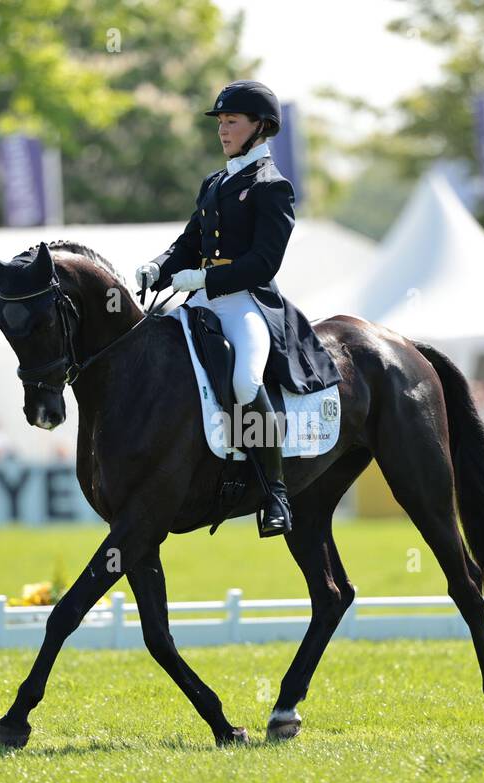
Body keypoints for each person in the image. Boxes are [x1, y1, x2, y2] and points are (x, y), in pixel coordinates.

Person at [134, 80, 303, 537]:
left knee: (245, 380)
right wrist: (159, 266)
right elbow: (188, 243)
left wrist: (206, 277)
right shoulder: (215, 182)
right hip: (201, 298)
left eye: (232, 122)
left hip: (245, 301)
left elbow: (264, 262)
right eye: (221, 122)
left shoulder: (273, 186)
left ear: (260, 127)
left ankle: (275, 495)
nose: (223, 130)